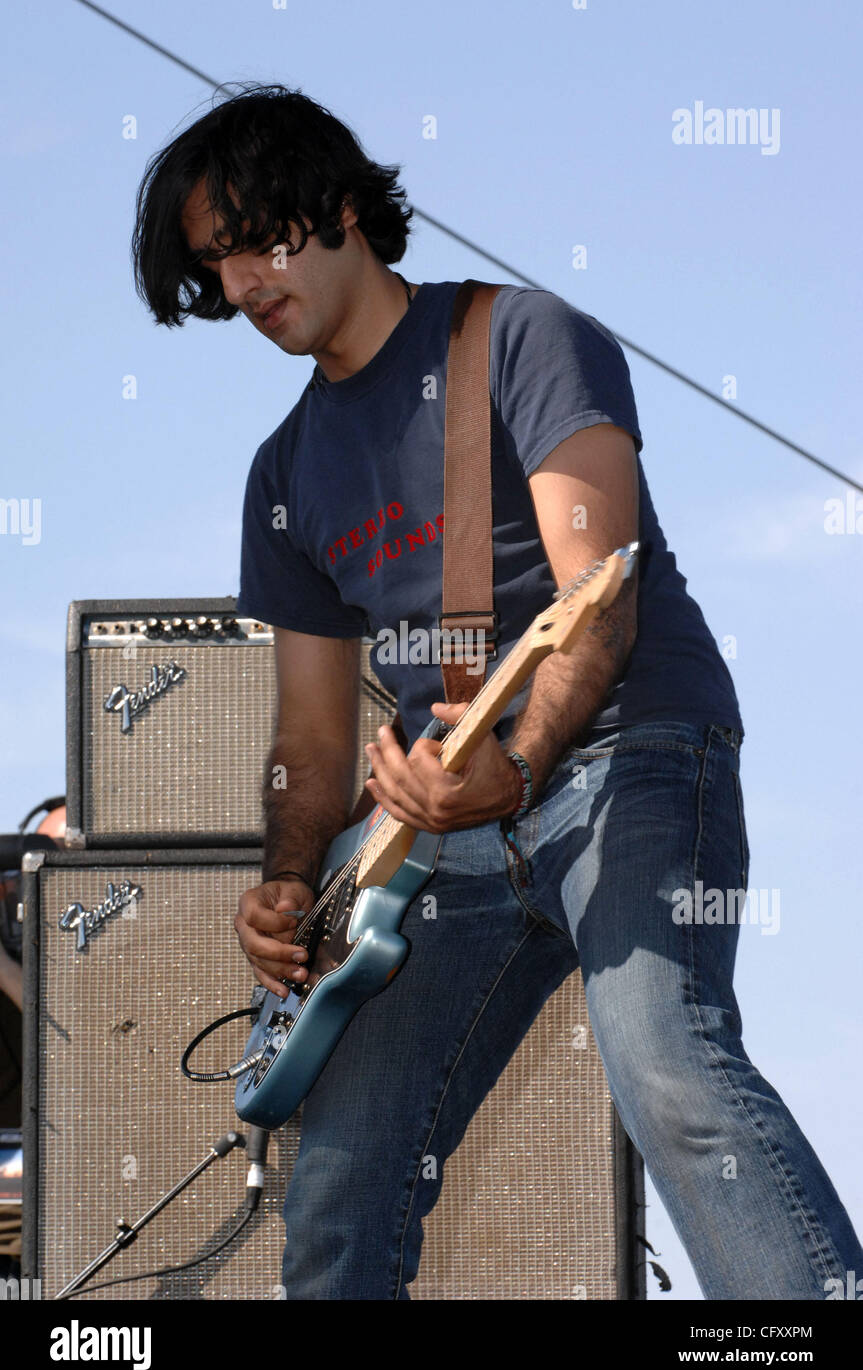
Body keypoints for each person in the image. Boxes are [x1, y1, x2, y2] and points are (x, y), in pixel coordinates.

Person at [132, 83, 862, 1300]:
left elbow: (601, 599)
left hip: (624, 752)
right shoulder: (282, 472)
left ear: (346, 207)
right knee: (337, 1186)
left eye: (260, 237)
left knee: (666, 1063)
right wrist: (283, 884)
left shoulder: (523, 336)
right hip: (434, 836)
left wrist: (515, 765)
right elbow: (312, 741)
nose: (245, 282)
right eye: (217, 265)